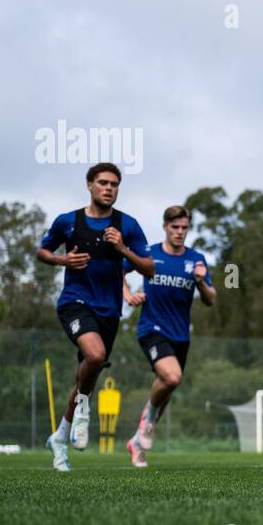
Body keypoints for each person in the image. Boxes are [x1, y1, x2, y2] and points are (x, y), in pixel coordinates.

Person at [37, 163, 153, 471]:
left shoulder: (127, 225)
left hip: (109, 311)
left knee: (86, 374)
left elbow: (149, 267)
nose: (109, 188)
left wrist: (123, 249)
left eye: (114, 184)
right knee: (96, 355)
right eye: (103, 183)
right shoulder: (68, 221)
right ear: (89, 185)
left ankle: (59, 439)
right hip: (74, 303)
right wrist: (62, 259)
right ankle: (84, 412)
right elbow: (42, 251)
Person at [122, 205, 216, 468]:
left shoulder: (196, 260)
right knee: (173, 376)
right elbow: (119, 271)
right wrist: (128, 296)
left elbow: (211, 299)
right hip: (151, 329)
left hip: (181, 335)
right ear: (165, 226)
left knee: (168, 389)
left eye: (184, 228)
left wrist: (200, 281)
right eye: (175, 227)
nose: (179, 232)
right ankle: (147, 423)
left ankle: (137, 444)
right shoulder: (149, 253)